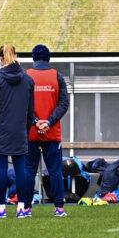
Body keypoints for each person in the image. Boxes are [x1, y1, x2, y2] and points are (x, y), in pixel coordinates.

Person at [0, 44, 34, 219]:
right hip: (19, 132)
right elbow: (30, 111)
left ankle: (1, 208)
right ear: (16, 55)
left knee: (1, 172)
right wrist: (25, 131)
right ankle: (21, 208)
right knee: (22, 171)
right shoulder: (28, 80)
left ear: (0, 58)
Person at [20, 45, 68, 218]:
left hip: (31, 133)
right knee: (55, 171)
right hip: (52, 133)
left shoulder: (26, 76)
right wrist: (49, 122)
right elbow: (64, 104)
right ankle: (59, 208)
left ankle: (26, 208)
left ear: (33, 58)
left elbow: (23, 104)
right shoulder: (57, 76)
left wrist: (35, 121)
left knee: (28, 171)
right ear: (48, 58)